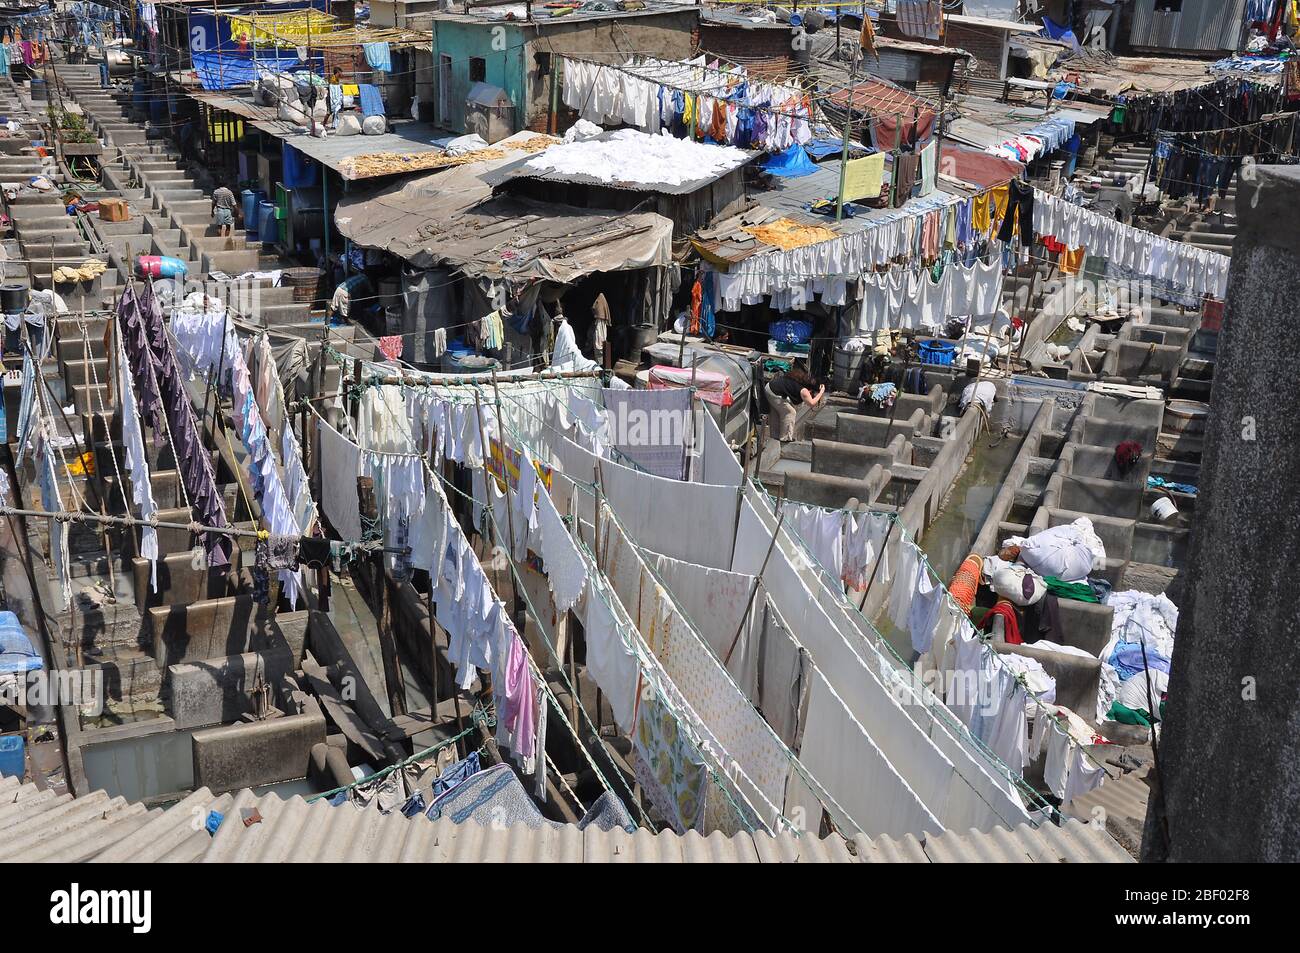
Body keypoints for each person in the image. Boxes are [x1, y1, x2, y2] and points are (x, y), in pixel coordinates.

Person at [765, 367, 824, 443]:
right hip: (774, 392)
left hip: (769, 387)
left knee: (776, 413)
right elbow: (812, 403)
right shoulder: (804, 390)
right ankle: (786, 438)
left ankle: (774, 438)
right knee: (790, 412)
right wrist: (821, 392)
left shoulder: (798, 378)